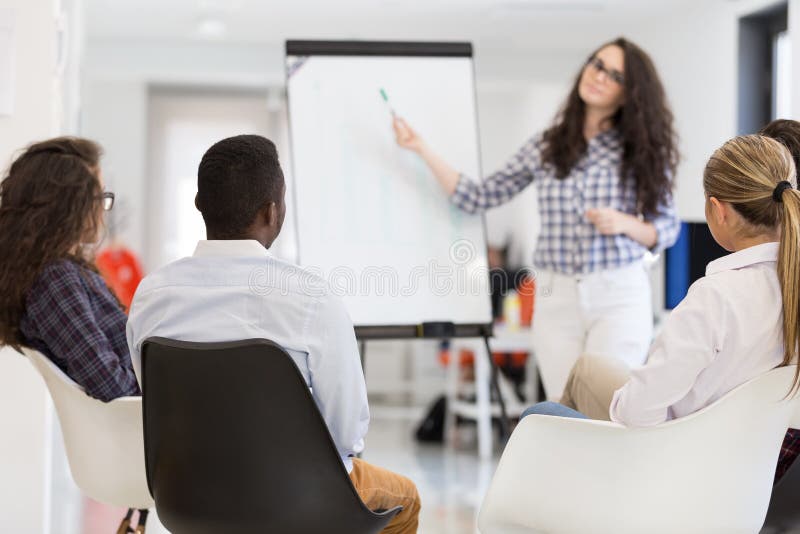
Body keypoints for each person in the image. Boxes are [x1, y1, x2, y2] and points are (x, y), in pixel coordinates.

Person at [126, 135, 420, 534]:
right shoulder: (311, 300)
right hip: (298, 499)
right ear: (273, 212)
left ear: (200, 206)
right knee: (406, 499)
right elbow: (347, 433)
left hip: (187, 498)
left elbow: (158, 402)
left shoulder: (151, 296)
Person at [393, 37, 680, 400]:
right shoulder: (548, 144)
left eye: (615, 76)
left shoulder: (641, 149)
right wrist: (421, 148)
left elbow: (667, 227)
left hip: (618, 292)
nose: (599, 77)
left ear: (630, 94)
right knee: (564, 409)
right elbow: (478, 196)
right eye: (597, 64)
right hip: (555, 294)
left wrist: (624, 223)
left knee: (610, 406)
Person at [522, 133, 799, 481]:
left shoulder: (715, 297)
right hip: (745, 476)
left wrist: (634, 395)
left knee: (541, 414)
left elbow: (638, 413)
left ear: (718, 211)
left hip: (679, 469)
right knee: (589, 369)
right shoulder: (784, 287)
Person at [0, 137, 139, 402]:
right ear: (69, 205)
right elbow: (112, 385)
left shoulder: (56, 274)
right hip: (147, 425)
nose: (103, 209)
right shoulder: (55, 279)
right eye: (100, 196)